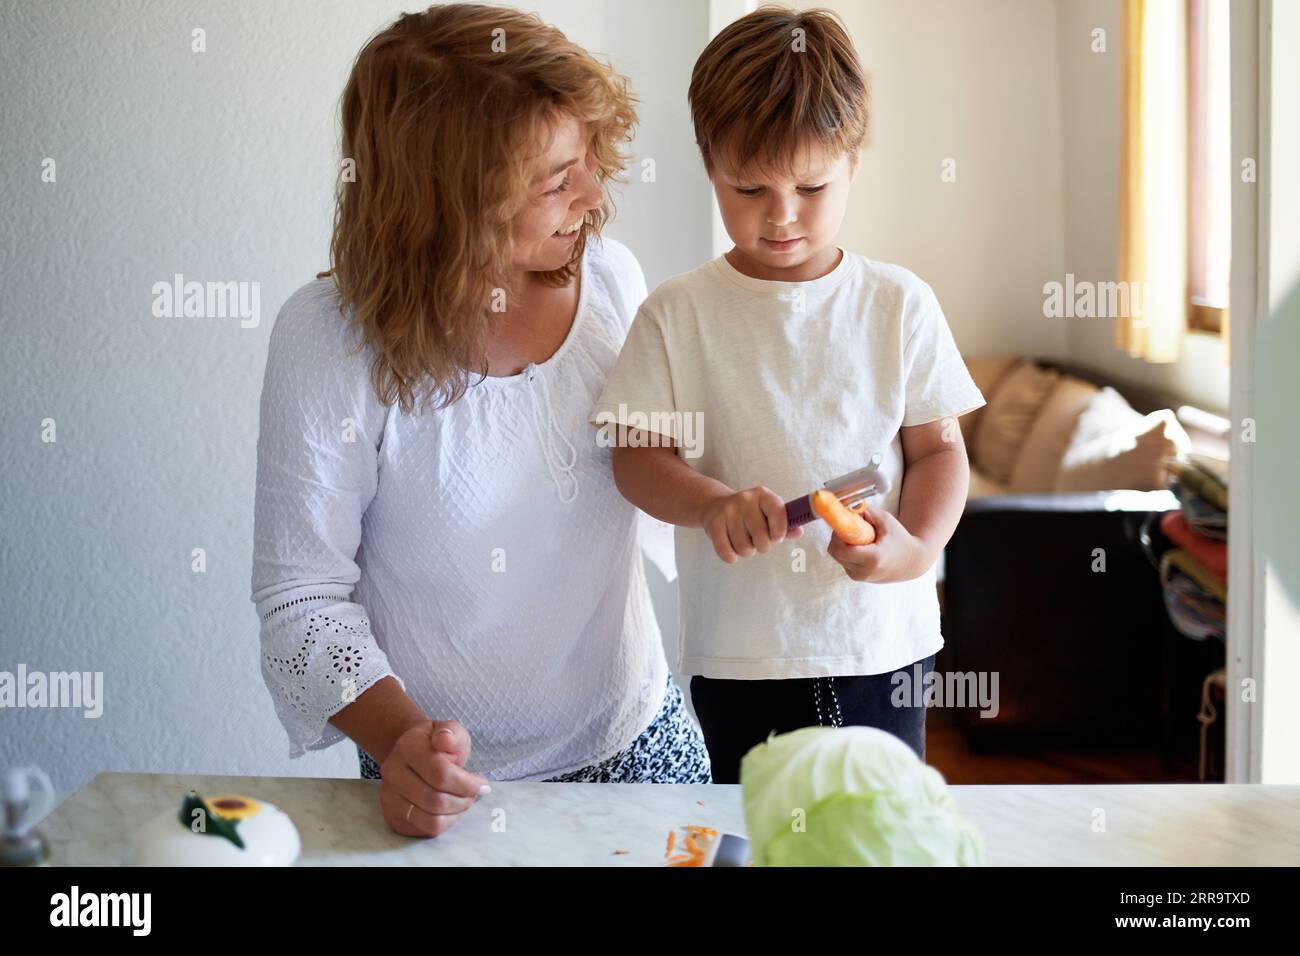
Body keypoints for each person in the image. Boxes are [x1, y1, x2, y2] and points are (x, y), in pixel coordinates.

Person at [250, 3, 709, 840]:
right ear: (448, 205)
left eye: (588, 161)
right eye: (556, 180)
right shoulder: (327, 339)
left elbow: (655, 474)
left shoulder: (612, 282)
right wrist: (402, 745)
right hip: (438, 784)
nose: (594, 194)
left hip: (638, 739)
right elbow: (302, 598)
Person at [590, 6, 986, 784]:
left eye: (811, 185)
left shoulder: (898, 303)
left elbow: (939, 449)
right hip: (741, 651)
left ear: (853, 163)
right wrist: (709, 504)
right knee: (758, 829)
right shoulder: (676, 312)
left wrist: (917, 548)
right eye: (749, 188)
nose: (781, 215)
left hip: (882, 641)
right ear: (709, 165)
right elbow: (636, 461)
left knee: (877, 826)